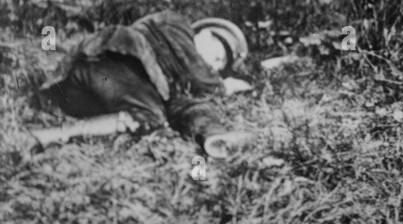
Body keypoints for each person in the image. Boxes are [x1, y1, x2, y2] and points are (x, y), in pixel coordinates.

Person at [27, 12, 250, 153]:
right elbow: (200, 75)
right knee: (147, 110)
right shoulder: (174, 24)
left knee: (147, 117)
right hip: (105, 66)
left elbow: (189, 106)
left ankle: (48, 136)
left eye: (220, 65)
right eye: (218, 54)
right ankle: (45, 135)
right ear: (205, 33)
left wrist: (213, 131)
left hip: (91, 100)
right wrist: (223, 87)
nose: (215, 64)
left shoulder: (178, 82)